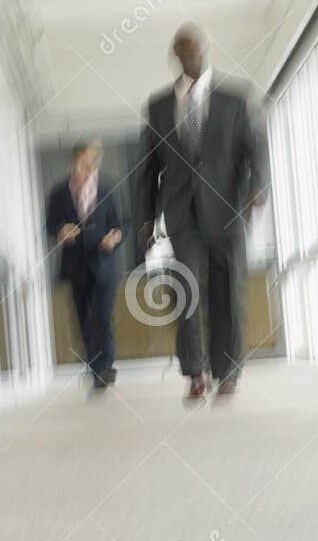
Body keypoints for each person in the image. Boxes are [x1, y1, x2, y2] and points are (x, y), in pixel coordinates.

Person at [136, 24, 267, 402]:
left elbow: (256, 148)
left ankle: (228, 371)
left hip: (228, 210)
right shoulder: (159, 106)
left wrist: (259, 187)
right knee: (187, 291)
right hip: (182, 214)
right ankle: (195, 373)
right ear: (174, 56)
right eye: (182, 51)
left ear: (205, 50)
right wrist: (146, 219)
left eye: (194, 49)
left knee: (228, 293)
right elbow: (147, 167)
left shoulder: (235, 99)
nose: (189, 56)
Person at [46, 139, 123, 388]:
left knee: (102, 316)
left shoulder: (108, 189)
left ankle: (105, 367)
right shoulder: (59, 193)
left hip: (104, 263)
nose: (88, 166)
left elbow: (120, 225)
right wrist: (61, 231)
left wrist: (114, 238)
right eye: (84, 161)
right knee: (83, 318)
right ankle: (95, 367)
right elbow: (50, 225)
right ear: (74, 161)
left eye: (92, 160)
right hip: (75, 265)